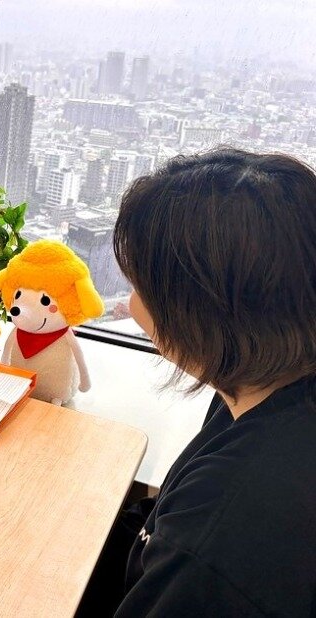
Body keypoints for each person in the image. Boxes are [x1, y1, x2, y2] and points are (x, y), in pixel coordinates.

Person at [80, 147, 316, 616]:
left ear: (195, 317)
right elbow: (155, 527)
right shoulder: (263, 387)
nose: (131, 304)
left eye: (140, 287)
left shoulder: (224, 534)